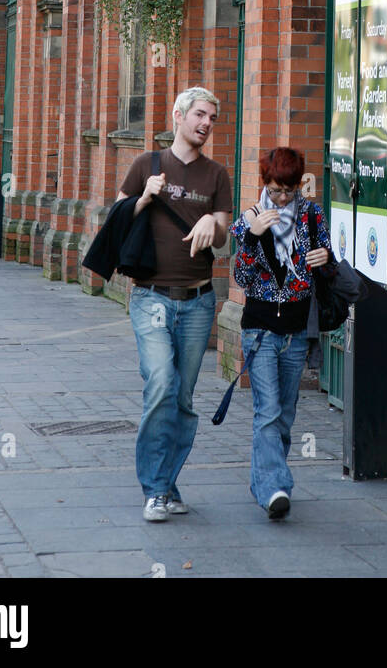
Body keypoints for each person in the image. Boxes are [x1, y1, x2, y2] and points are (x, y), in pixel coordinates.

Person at [116, 86, 232, 522]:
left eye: (212, 118)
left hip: (199, 301)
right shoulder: (147, 164)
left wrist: (211, 223)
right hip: (150, 298)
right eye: (200, 115)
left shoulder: (216, 175)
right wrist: (144, 196)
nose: (206, 124)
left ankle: (166, 483)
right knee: (162, 383)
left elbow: (222, 237)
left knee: (181, 398)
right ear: (179, 115)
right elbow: (117, 220)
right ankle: (155, 489)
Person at [231, 147, 332, 520]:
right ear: (265, 185)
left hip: (295, 332)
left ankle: (262, 481)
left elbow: (327, 264)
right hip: (259, 332)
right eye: (276, 190)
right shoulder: (250, 219)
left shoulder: (311, 215)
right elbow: (241, 278)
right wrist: (254, 237)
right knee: (268, 411)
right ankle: (275, 486)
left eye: (290, 190)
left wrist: (326, 262)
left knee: (285, 415)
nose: (283, 198)